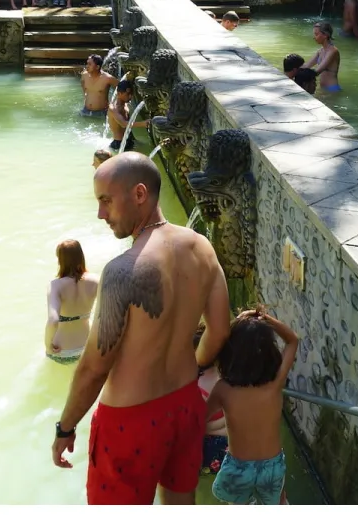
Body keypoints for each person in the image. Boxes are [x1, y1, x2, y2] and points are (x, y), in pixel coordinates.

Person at [50, 153, 232, 506]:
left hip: (130, 423)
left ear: (139, 194)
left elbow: (94, 367)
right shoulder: (202, 247)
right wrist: (192, 367)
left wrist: (65, 427)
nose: (100, 213)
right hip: (186, 405)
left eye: (106, 200)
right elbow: (220, 330)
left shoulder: (124, 270)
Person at [206, 307, 298, 506]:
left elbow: (200, 419)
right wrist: (264, 317)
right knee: (276, 502)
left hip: (238, 468)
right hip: (271, 467)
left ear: (230, 354)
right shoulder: (275, 383)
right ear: (270, 353)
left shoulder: (223, 389)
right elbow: (292, 340)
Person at [46, 240, 100, 365]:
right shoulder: (97, 280)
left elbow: (53, 321)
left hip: (61, 349)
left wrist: (48, 345)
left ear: (60, 260)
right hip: (86, 346)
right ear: (81, 256)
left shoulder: (55, 285)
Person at [195, 324, 229, 478]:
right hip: (230, 446)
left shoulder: (193, 388)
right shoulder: (227, 378)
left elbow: (194, 429)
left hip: (208, 453)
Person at [108, 78, 150, 152]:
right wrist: (143, 124)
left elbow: (128, 128)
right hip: (119, 144)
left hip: (129, 140)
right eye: (127, 94)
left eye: (131, 94)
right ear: (119, 93)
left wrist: (135, 141)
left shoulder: (126, 105)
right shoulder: (113, 108)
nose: (130, 97)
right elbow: (123, 124)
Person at [303, 22, 341, 92]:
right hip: (322, 89)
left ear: (325, 35)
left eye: (316, 34)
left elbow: (317, 71)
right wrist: (293, 68)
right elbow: (307, 65)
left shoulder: (333, 51)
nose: (314, 37)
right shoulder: (320, 51)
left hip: (332, 89)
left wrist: (300, 74)